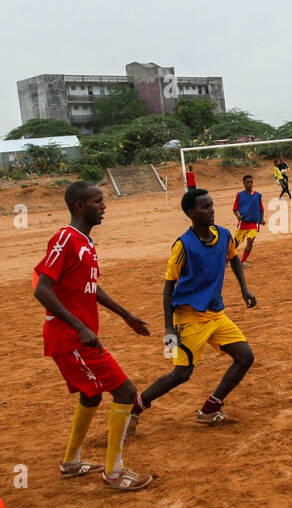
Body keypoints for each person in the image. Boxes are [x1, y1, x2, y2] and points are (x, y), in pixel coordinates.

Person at [32, 181, 155, 490]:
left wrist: (125, 314)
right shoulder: (65, 238)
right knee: (126, 392)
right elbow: (42, 289)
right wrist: (80, 326)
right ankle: (114, 473)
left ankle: (71, 463)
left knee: (91, 394)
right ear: (79, 206)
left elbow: (90, 287)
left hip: (78, 336)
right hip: (70, 339)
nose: (104, 206)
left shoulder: (85, 242)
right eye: (98, 201)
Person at [126, 188, 257, 434]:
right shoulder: (183, 245)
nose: (211, 210)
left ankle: (209, 409)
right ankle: (135, 407)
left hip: (215, 314)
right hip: (188, 316)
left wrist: (244, 289)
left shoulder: (224, 235)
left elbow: (234, 258)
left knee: (245, 356)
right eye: (205, 207)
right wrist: (169, 327)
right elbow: (168, 287)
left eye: (212, 205)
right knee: (182, 373)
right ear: (190, 213)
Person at [232, 174, 264, 265]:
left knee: (250, 241)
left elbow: (261, 209)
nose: (250, 184)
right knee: (235, 243)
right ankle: (226, 259)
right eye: (248, 182)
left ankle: (243, 261)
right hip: (243, 223)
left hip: (254, 223)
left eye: (251, 182)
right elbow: (235, 209)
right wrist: (238, 216)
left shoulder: (257, 195)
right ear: (244, 183)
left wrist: (261, 219)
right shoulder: (239, 195)